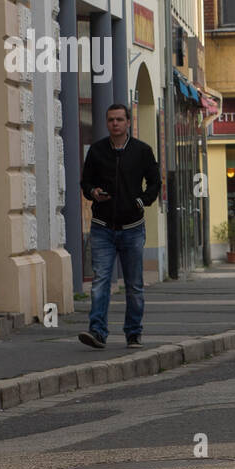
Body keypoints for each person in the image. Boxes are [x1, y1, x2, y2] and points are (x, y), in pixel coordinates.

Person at [78, 104, 161, 349]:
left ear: (127, 123)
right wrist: (93, 192)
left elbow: (155, 182)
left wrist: (142, 200)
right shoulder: (97, 151)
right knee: (100, 281)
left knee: (134, 284)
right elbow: (85, 182)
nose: (115, 123)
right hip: (102, 226)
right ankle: (98, 332)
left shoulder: (142, 151)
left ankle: (133, 332)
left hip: (132, 228)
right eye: (111, 120)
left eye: (119, 119)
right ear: (107, 123)